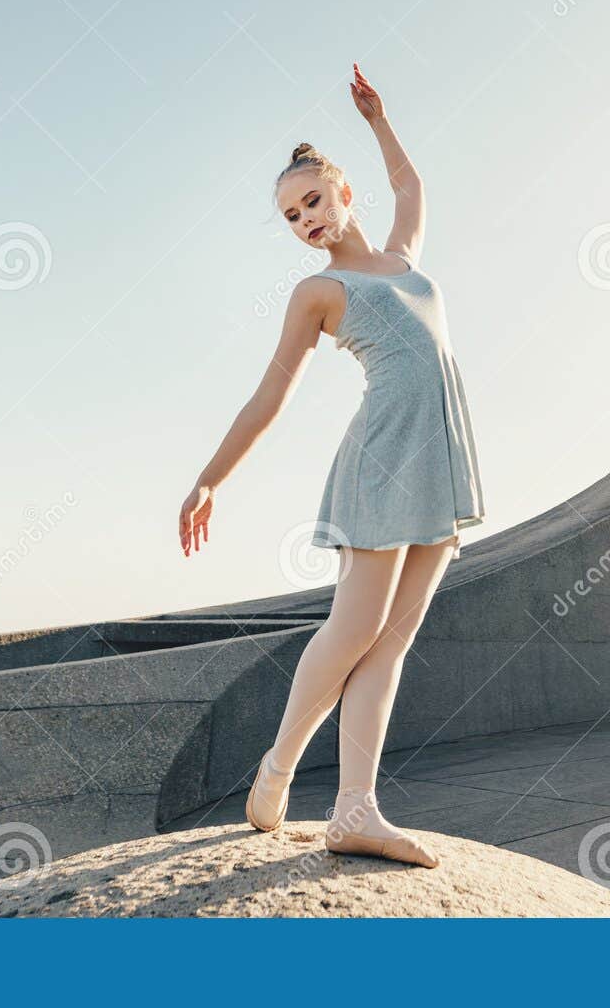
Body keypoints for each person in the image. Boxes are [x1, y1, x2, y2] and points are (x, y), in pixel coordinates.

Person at [177, 62, 486, 868]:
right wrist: (212, 476)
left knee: (392, 642)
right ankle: (277, 768)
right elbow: (269, 395)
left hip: (443, 463)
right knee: (353, 629)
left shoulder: (404, 257)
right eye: (290, 215)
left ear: (344, 192)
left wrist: (379, 118)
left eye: (312, 200)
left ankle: (355, 809)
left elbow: (413, 182)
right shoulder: (318, 292)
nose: (305, 219)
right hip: (383, 463)